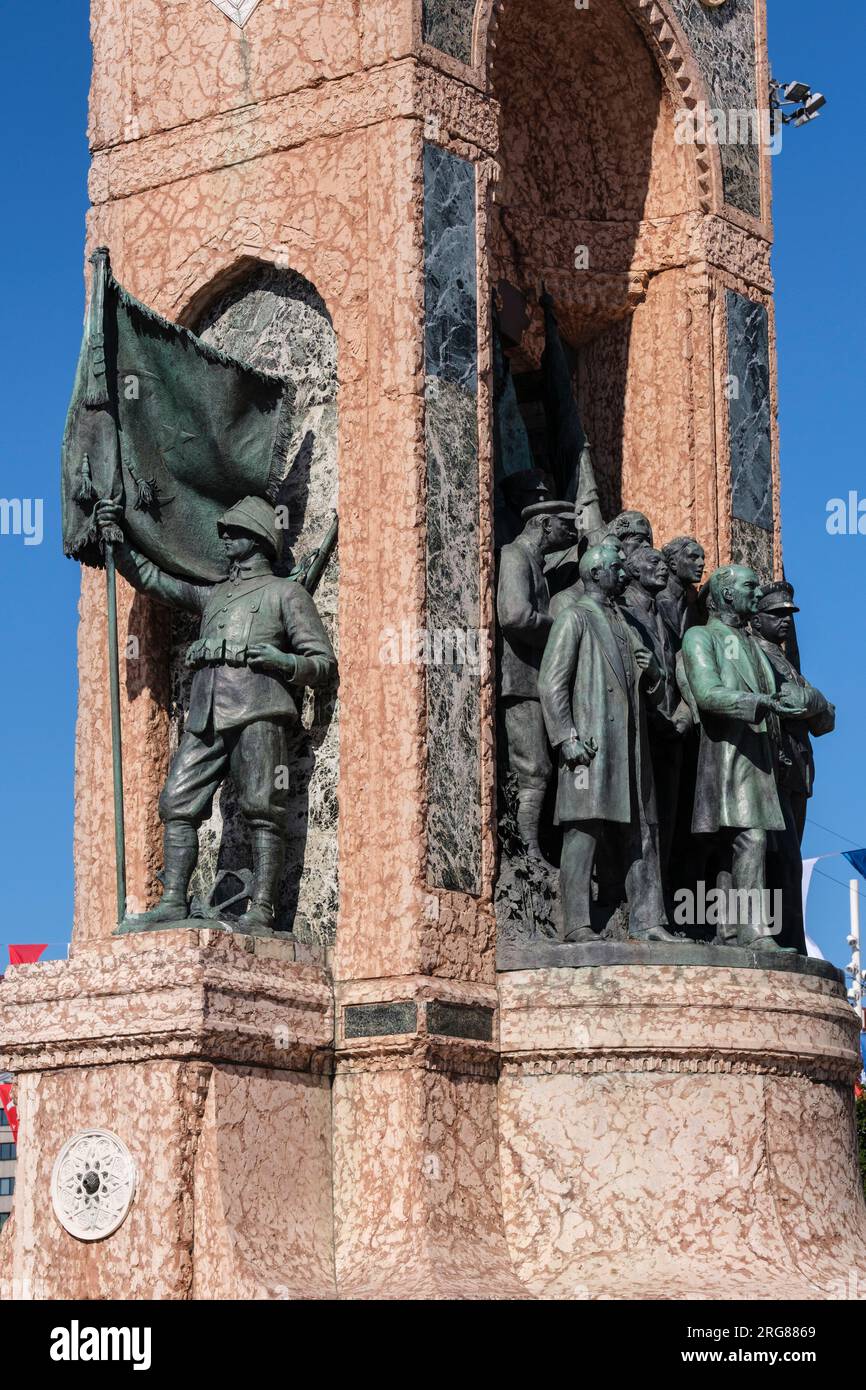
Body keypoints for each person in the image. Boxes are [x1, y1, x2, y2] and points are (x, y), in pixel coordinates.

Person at [95, 495, 337, 933]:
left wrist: (283, 663)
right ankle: (172, 900)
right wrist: (116, 539)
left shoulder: (286, 594)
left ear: (258, 538)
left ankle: (261, 908)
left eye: (233, 530)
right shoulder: (215, 595)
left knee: (264, 806)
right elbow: (152, 579)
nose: (223, 536)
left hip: (260, 708)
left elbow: (322, 664)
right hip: (207, 712)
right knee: (176, 801)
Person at [537, 540, 679, 943]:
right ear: (596, 573)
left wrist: (653, 674)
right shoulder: (575, 617)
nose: (623, 573)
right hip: (590, 748)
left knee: (644, 831)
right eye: (617, 567)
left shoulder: (626, 623)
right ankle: (577, 923)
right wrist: (566, 738)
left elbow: (648, 691)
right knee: (583, 831)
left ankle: (649, 921)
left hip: (631, 751)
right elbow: (552, 684)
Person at [679, 565, 801, 952]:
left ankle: (729, 932)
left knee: (743, 843)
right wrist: (757, 703)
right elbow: (707, 692)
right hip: (727, 756)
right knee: (751, 838)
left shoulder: (754, 646)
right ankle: (754, 931)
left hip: (760, 759)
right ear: (727, 594)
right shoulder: (701, 637)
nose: (757, 591)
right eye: (750, 586)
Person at [751, 581, 835, 951]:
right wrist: (809, 701)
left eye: (788, 615)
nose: (785, 621)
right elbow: (783, 703)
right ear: (755, 619)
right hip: (772, 768)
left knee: (790, 860)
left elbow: (826, 718)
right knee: (778, 858)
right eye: (776, 615)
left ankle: (792, 941)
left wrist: (813, 699)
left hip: (798, 773)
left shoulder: (786, 661)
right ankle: (778, 937)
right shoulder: (756, 655)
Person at [497, 499, 577, 857]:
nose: (571, 532)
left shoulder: (536, 563)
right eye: (565, 524)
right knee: (534, 768)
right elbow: (515, 615)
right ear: (544, 524)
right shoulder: (515, 555)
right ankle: (526, 851)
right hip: (520, 678)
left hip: (533, 678)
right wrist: (561, 628)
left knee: (541, 767)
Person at [620, 547, 692, 887]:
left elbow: (682, 671)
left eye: (664, 563)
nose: (662, 568)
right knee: (641, 820)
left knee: (667, 818)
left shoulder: (664, 618)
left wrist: (683, 715)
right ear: (633, 571)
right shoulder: (621, 613)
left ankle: (659, 902)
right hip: (641, 729)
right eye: (654, 563)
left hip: (672, 731)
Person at [658, 536, 706, 648]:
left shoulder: (693, 603)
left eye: (702, 558)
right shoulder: (656, 597)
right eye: (693, 558)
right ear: (673, 563)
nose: (702, 563)